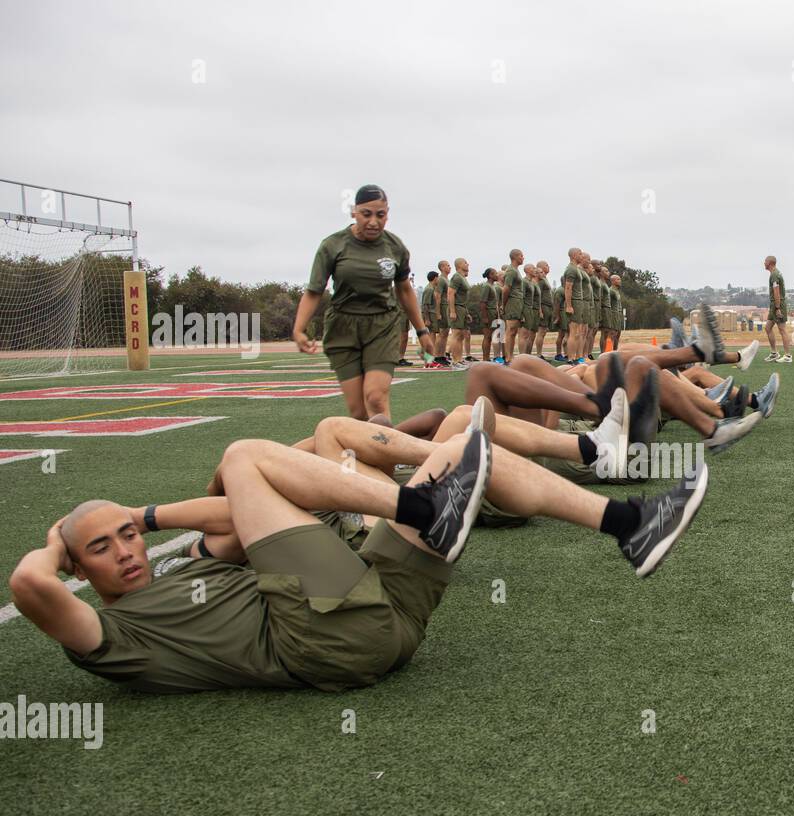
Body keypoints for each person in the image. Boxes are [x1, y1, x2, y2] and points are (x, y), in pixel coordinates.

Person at [10, 414, 711, 693]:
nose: (127, 551)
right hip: (317, 639)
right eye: (102, 549)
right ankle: (422, 509)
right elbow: (28, 586)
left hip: (375, 612)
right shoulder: (108, 637)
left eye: (128, 537)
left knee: (464, 450)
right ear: (77, 569)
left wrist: (143, 515)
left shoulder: (179, 562)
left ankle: (629, 525)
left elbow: (232, 513)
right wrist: (54, 546)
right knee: (243, 454)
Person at [292, 185, 431, 419]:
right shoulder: (333, 245)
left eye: (381, 215)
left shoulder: (395, 247)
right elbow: (314, 291)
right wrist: (298, 329)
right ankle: (364, 453)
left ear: (387, 213)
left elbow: (404, 289)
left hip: (382, 326)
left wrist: (422, 330)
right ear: (354, 212)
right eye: (366, 214)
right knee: (357, 412)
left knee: (376, 398)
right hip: (343, 329)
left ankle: (387, 454)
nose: (374, 222)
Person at [763, 255, 791, 363]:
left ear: (770, 263)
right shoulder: (774, 274)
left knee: (782, 330)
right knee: (768, 328)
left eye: (765, 261)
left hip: (778, 305)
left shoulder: (774, 275)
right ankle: (774, 353)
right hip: (774, 305)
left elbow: (776, 292)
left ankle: (788, 356)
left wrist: (778, 308)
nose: (764, 263)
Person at [500, 248, 525, 362]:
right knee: (510, 331)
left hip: (517, 302)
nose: (523, 258)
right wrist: (503, 305)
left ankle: (510, 356)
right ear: (515, 257)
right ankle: (508, 357)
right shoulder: (511, 271)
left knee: (513, 331)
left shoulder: (516, 270)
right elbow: (506, 289)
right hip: (512, 302)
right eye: (521, 256)